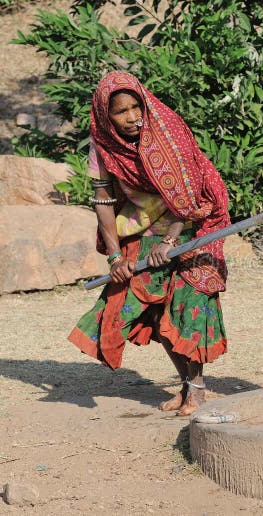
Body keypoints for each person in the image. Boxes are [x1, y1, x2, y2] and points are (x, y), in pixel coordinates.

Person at [67, 71, 231, 416]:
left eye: (135, 107)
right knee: (154, 309)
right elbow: (104, 201)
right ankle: (186, 385)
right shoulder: (103, 144)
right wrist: (115, 258)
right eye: (120, 112)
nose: (131, 117)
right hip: (141, 225)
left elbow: (189, 195)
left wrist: (170, 240)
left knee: (189, 303)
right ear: (104, 115)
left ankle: (197, 388)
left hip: (191, 221)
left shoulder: (167, 131)